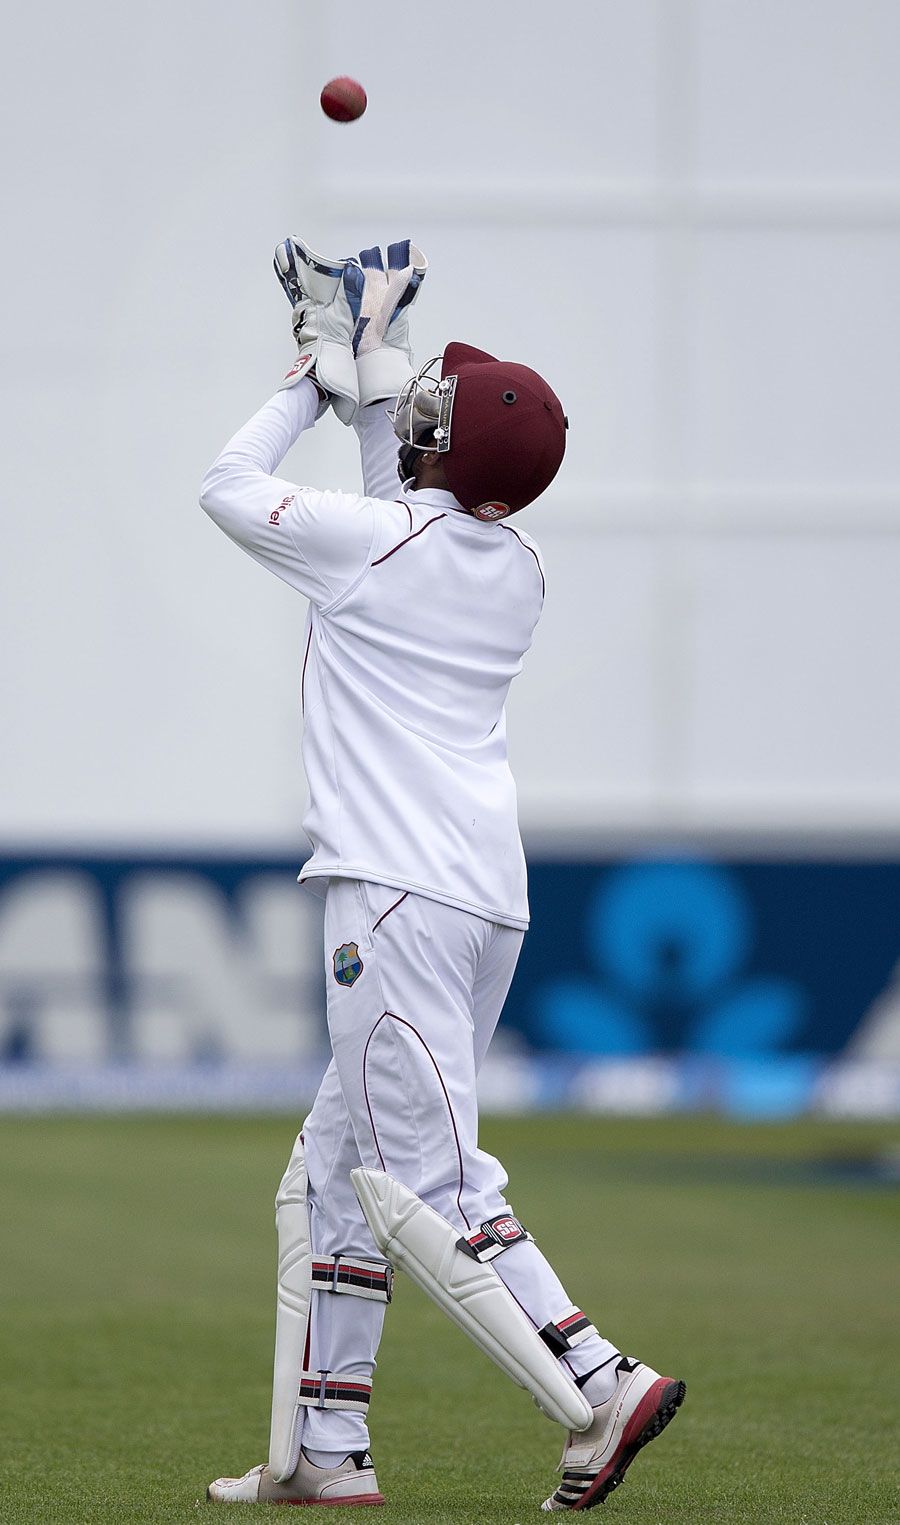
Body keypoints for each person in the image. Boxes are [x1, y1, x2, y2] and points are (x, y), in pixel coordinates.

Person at [200, 237, 684, 1512]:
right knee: (332, 1170)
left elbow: (226, 483)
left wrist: (318, 372)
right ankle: (326, 1451)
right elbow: (405, 506)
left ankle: (599, 1380)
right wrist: (381, 377)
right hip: (479, 899)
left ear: (434, 442)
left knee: (436, 1179)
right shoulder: (514, 569)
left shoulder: (371, 546)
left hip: (397, 896)